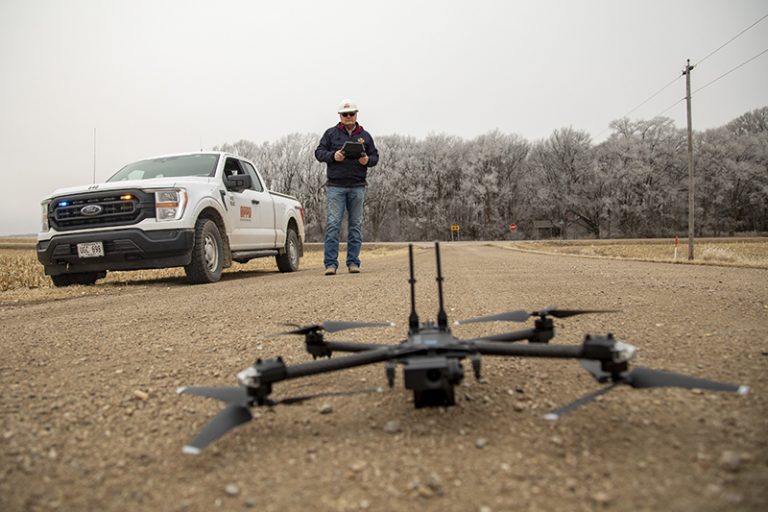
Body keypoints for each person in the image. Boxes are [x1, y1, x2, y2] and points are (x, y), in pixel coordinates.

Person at [314, 99, 379, 275]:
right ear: (340, 116)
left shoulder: (365, 136)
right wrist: (333, 156)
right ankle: (330, 264)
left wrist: (367, 161)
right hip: (336, 186)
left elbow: (375, 157)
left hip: (358, 186)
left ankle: (353, 262)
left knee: (355, 225)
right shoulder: (330, 134)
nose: (348, 117)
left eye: (351, 114)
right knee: (333, 224)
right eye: (345, 114)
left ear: (356, 114)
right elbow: (318, 153)